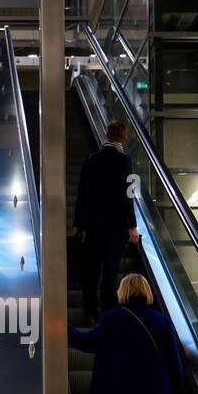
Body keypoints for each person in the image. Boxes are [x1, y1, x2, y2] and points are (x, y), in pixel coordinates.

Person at [72, 119, 139, 324]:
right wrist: (132, 226)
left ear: (106, 136)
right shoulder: (125, 161)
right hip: (115, 229)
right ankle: (109, 315)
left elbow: (81, 193)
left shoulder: (91, 160)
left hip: (92, 228)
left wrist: (78, 224)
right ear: (124, 137)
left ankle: (91, 312)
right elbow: (128, 196)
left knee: (91, 272)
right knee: (109, 273)